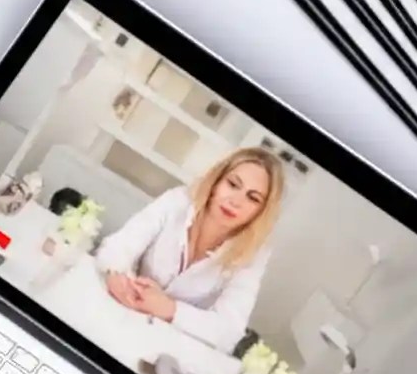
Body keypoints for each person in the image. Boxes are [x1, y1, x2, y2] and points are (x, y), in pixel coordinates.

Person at [95, 147, 285, 353]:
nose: (235, 201)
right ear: (217, 181)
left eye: (253, 198)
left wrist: (169, 308)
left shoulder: (254, 253)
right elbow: (118, 247)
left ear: (261, 211)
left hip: (167, 347)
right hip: (119, 311)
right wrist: (116, 276)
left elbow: (229, 331)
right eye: (232, 184)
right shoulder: (177, 201)